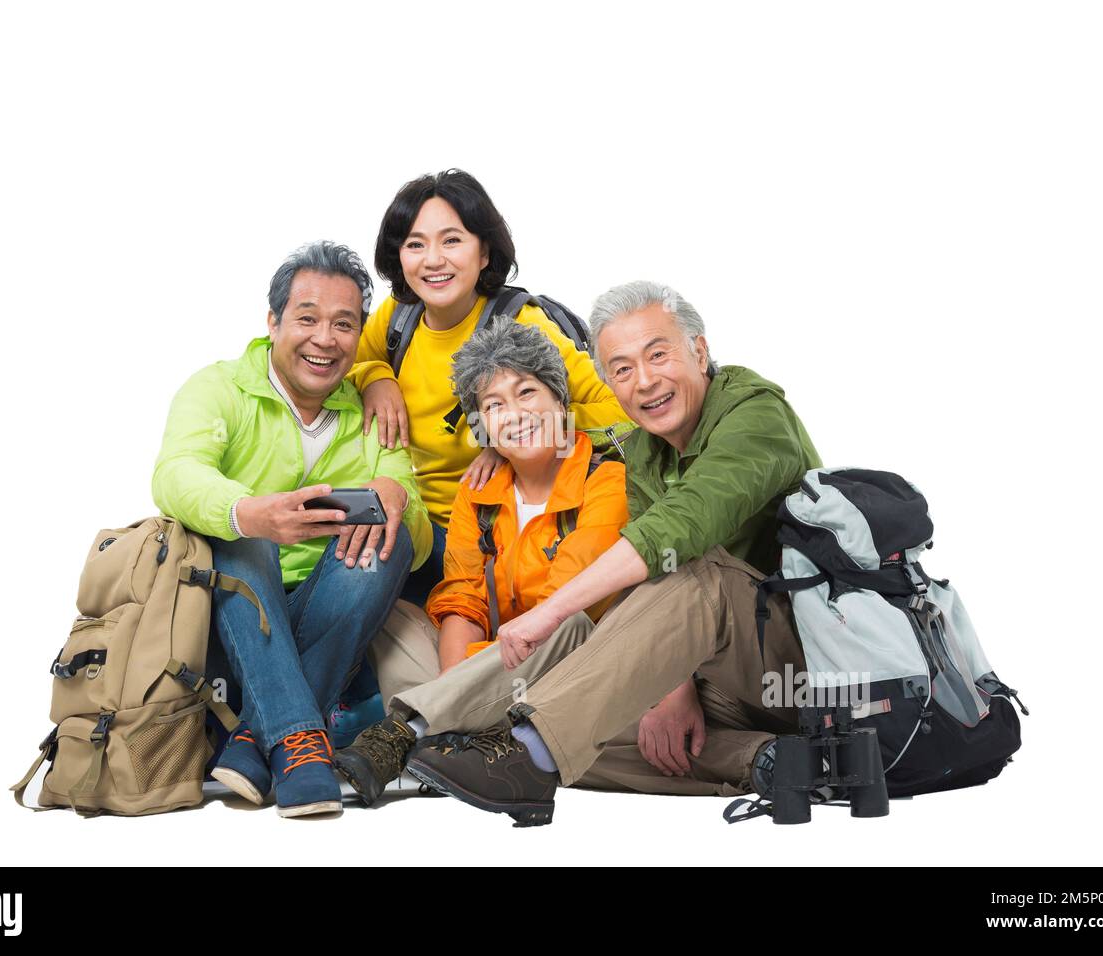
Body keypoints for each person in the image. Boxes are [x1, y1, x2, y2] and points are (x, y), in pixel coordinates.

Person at [331, 280, 822, 825]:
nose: (645, 380)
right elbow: (464, 596)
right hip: (672, 677)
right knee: (564, 728)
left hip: (781, 667)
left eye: (658, 355)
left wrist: (552, 624)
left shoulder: (751, 416)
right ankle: (760, 760)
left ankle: (427, 734)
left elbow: (676, 535)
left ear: (700, 351)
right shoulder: (639, 449)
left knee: (598, 636)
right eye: (623, 369)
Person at [151, 241, 432, 818]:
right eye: (307, 318)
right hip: (228, 626)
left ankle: (263, 739)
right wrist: (251, 513)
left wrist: (399, 496)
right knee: (238, 534)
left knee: (389, 537)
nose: (325, 339)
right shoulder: (221, 388)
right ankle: (301, 741)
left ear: (359, 336)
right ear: (274, 321)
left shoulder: (374, 415)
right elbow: (175, 476)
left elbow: (421, 543)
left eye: (344, 324)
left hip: (332, 614)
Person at [334, 321, 630, 804]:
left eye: (527, 392)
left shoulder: (605, 479)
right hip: (494, 667)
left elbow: (560, 605)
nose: (515, 415)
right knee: (391, 614)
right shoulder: (478, 492)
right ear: (482, 426)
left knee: (567, 622)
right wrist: (461, 685)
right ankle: (457, 740)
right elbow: (464, 599)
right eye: (494, 405)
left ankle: (405, 735)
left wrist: (461, 683)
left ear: (560, 401)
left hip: (564, 668)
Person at [346, 169, 630, 607]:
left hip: (492, 539)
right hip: (413, 525)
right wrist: (375, 377)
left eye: (452, 240)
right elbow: (340, 361)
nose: (433, 260)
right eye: (415, 244)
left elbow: (621, 412)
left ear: (484, 252)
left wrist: (511, 434)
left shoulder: (521, 324)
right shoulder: (397, 316)